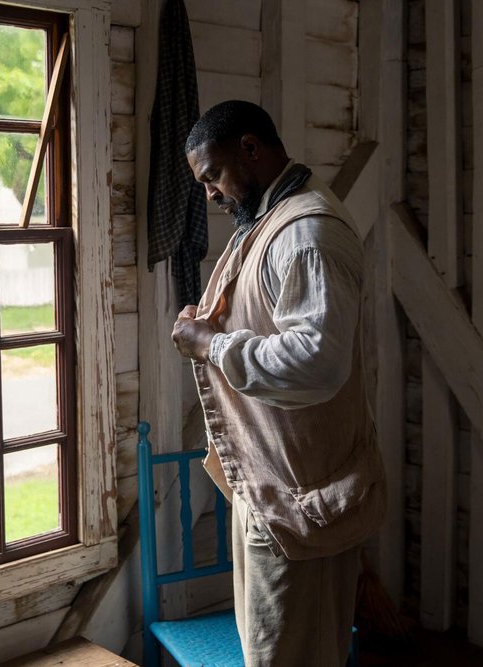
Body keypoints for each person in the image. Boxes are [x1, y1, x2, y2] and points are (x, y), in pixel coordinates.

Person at [171, 100, 387, 666]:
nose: (211, 195)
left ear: (250, 148)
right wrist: (218, 322)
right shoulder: (269, 218)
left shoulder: (307, 232)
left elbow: (316, 362)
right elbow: (276, 320)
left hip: (302, 502)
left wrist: (210, 345)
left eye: (213, 176)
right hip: (276, 493)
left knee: (290, 657)